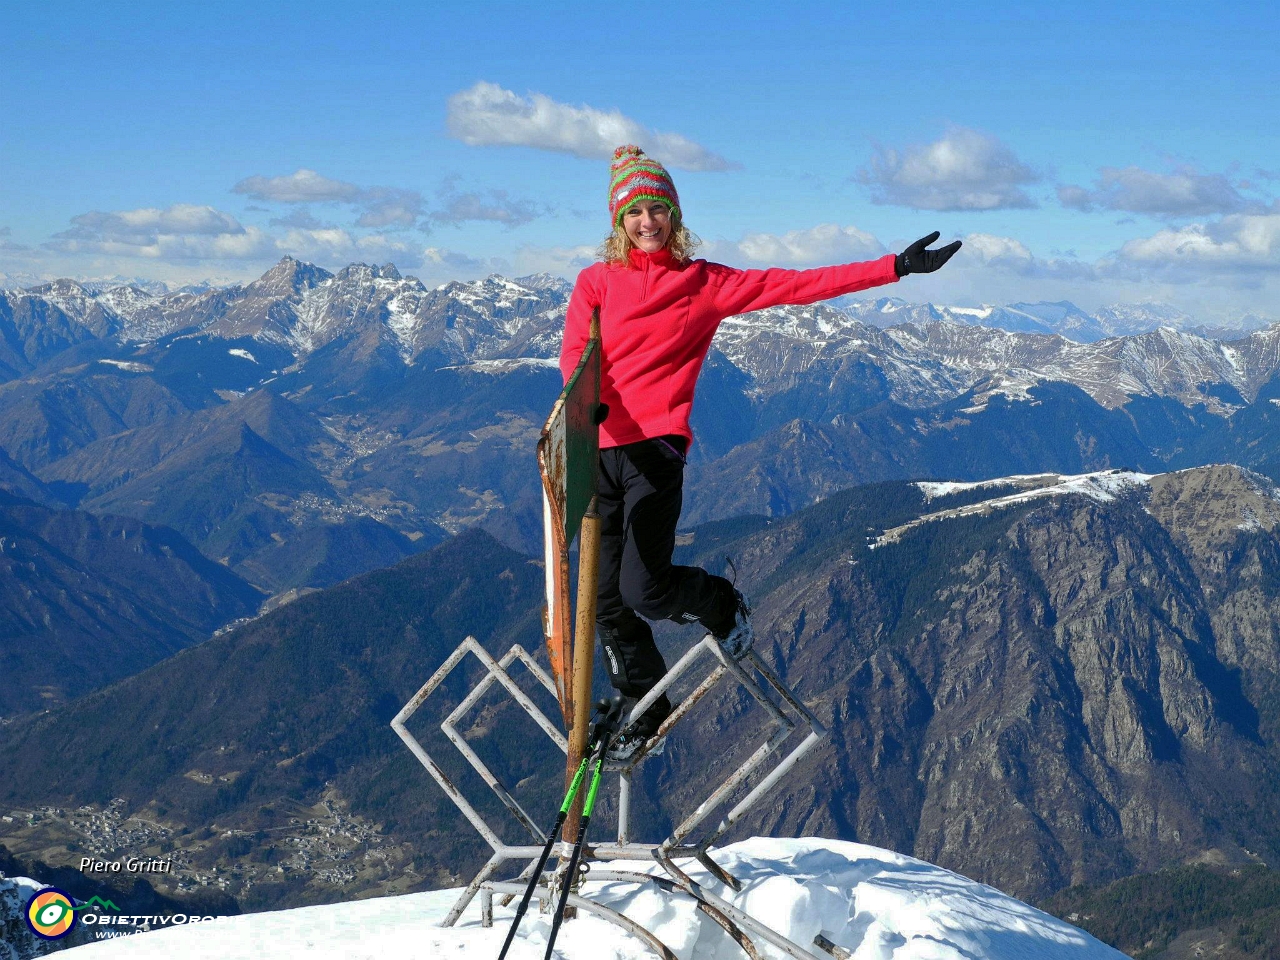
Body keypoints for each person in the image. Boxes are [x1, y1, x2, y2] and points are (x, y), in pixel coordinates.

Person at [560, 145, 960, 760]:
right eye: (636, 211)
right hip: (600, 448)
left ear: (675, 215)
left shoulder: (704, 284)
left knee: (645, 591)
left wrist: (894, 267)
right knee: (602, 600)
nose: (648, 222)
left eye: (658, 209)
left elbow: (794, 286)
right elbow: (575, 360)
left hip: (657, 450)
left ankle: (720, 602)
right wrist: (577, 422)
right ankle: (644, 699)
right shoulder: (594, 282)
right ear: (619, 221)